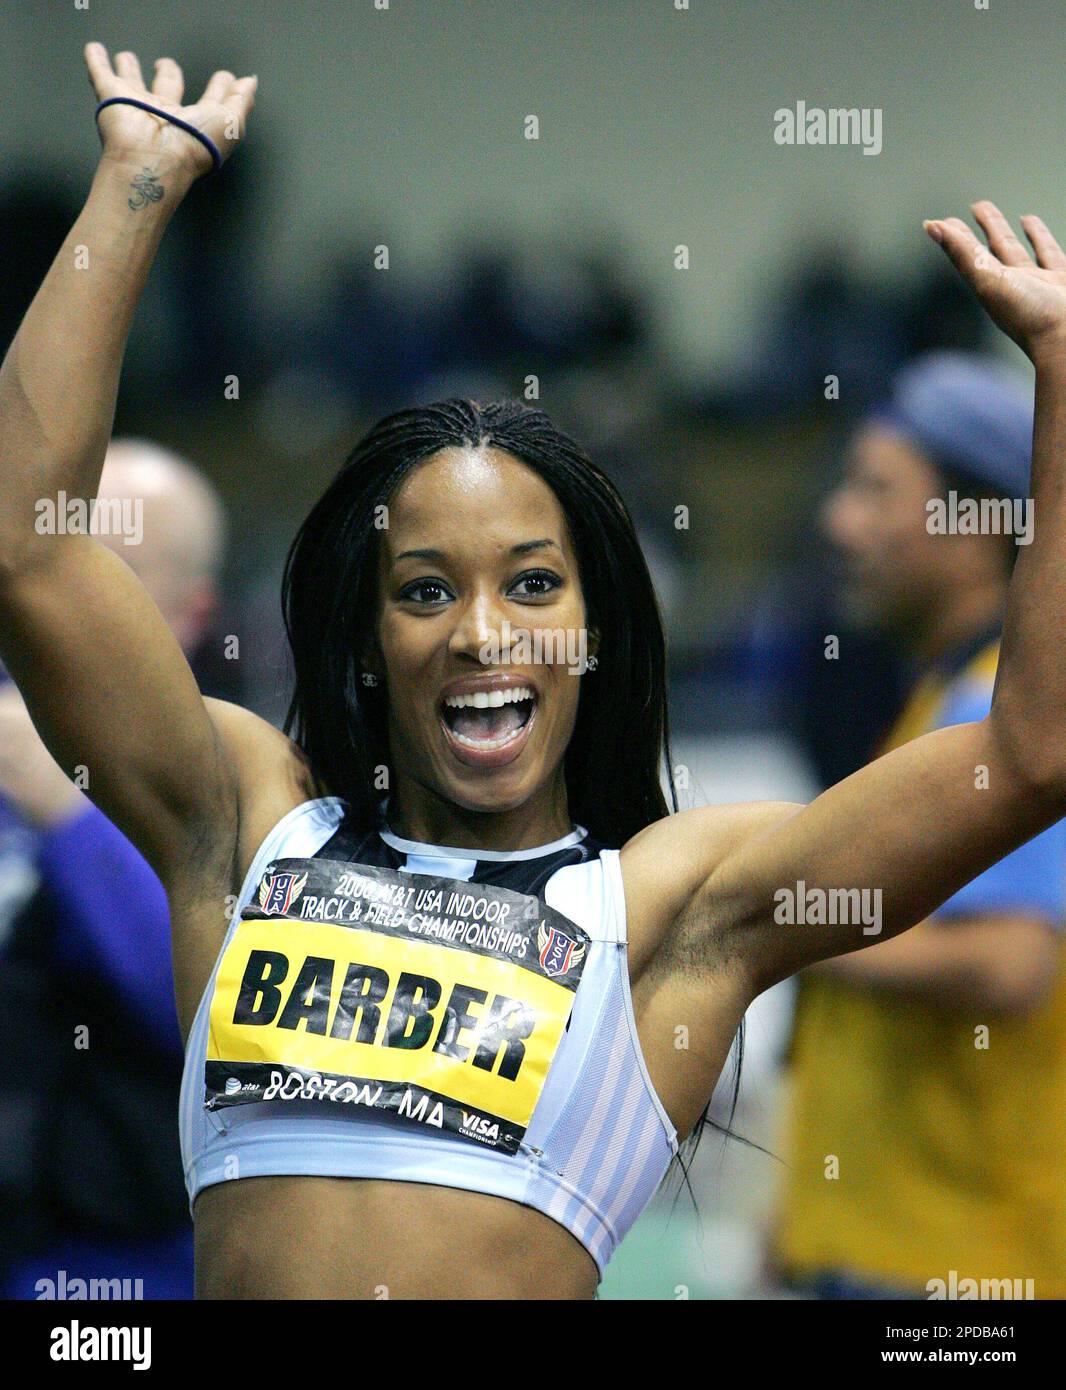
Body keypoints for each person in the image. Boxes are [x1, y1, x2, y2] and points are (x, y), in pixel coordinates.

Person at [4, 43, 1066, 1301]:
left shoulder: (676, 908)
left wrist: (1059, 370)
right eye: (423, 590)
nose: (481, 633)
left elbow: (1032, 752)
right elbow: (29, 552)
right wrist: (134, 186)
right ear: (363, 640)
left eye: (533, 583)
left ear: (598, 634)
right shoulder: (244, 817)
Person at [772, 353, 1066, 1299]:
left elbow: (1010, 964)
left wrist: (772, 924)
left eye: (876, 491)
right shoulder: (945, 701)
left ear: (973, 524)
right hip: (887, 1248)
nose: (839, 520)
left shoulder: (999, 717)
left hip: (959, 1267)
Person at [0, 441, 227, 1299]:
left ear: (191, 612)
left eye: (109, 575)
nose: (59, 606)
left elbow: (207, 1012)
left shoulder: (242, 766)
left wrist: (68, 817)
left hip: (125, 1259)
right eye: (44, 566)